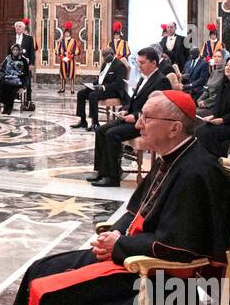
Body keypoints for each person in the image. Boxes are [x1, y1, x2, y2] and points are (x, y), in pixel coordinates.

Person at [0, 90, 230, 305]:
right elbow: (138, 210)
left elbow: (182, 248)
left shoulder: (197, 172)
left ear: (173, 127)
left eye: (146, 118)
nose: (138, 124)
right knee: (40, 270)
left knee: (54, 296)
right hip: (131, 262)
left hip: (161, 284)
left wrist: (120, 246)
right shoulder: (170, 157)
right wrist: (115, 236)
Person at [88, 47, 170, 187]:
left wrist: (136, 116)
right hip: (133, 118)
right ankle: (102, 171)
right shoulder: (144, 79)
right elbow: (136, 101)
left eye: (143, 63)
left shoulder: (161, 81)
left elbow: (159, 108)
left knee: (112, 134)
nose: (139, 66)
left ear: (154, 63)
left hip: (145, 123)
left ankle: (113, 177)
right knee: (101, 131)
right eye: (138, 62)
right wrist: (126, 110)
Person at [74, 54, 128, 130]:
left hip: (113, 91)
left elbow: (119, 84)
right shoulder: (105, 64)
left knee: (93, 95)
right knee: (81, 93)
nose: (104, 58)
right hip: (101, 88)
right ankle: (83, 121)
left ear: (112, 55)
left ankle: (95, 123)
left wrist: (103, 87)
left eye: (106, 56)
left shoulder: (119, 65)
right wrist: (92, 85)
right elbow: (101, 78)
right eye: (103, 56)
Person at [0, 44, 30, 115]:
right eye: (14, 50)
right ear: (12, 51)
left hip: (18, 79)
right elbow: (1, 67)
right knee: (3, 84)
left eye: (17, 50)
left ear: (19, 51)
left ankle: (9, 108)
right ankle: (5, 106)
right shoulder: (8, 58)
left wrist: (18, 76)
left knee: (11, 87)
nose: (15, 51)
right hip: (8, 77)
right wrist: (4, 74)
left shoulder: (23, 60)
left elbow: (26, 73)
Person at [13, 20, 36, 111]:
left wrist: (31, 64)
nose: (18, 28)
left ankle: (28, 101)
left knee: (27, 83)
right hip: (14, 65)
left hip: (25, 65)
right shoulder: (11, 38)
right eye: (17, 26)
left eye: (20, 27)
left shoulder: (29, 39)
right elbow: (8, 52)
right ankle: (13, 98)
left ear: (23, 29)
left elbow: (32, 53)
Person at [54, 22, 82, 94]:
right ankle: (63, 88)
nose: (66, 34)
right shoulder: (62, 41)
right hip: (63, 60)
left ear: (70, 33)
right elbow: (58, 50)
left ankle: (72, 89)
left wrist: (70, 56)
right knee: (63, 75)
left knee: (71, 75)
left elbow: (76, 50)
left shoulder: (73, 41)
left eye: (68, 33)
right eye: (65, 33)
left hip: (71, 60)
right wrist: (62, 57)